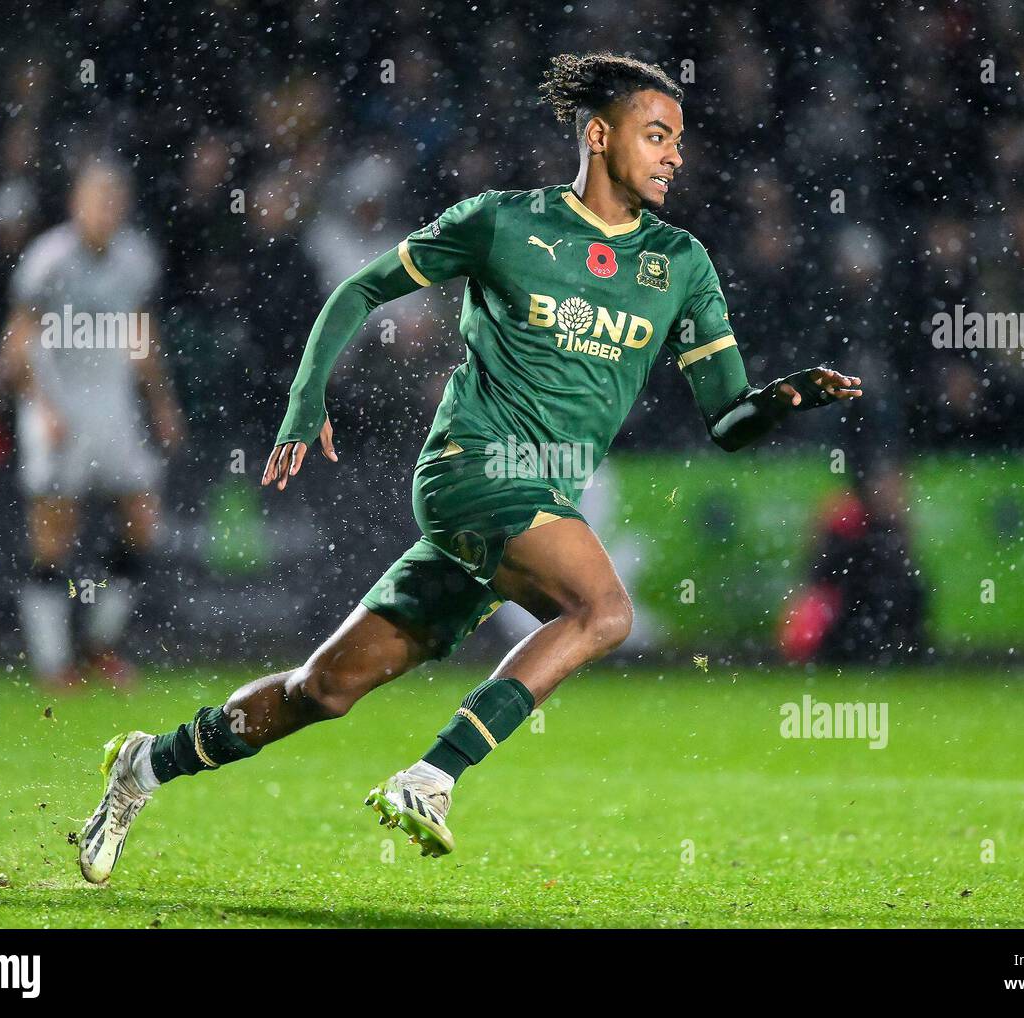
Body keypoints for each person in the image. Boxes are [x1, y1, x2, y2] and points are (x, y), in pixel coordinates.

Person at [78, 53, 862, 883]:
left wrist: (783, 400)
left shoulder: (681, 264)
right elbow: (359, 291)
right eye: (657, 135)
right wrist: (307, 399)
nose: (676, 155)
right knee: (603, 611)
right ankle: (433, 775)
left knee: (323, 690)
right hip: (473, 468)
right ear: (600, 136)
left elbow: (729, 421)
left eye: (679, 140)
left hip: (532, 504)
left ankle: (146, 764)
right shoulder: (503, 223)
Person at [0, 158, 184, 689]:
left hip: (114, 406)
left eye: (114, 201)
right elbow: (16, 343)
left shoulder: (135, 258)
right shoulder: (48, 260)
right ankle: (53, 663)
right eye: (97, 200)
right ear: (75, 203)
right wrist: (43, 407)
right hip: (58, 406)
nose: (106, 211)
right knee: (55, 532)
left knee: (143, 519)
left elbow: (141, 335)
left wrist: (161, 402)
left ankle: (100, 644)